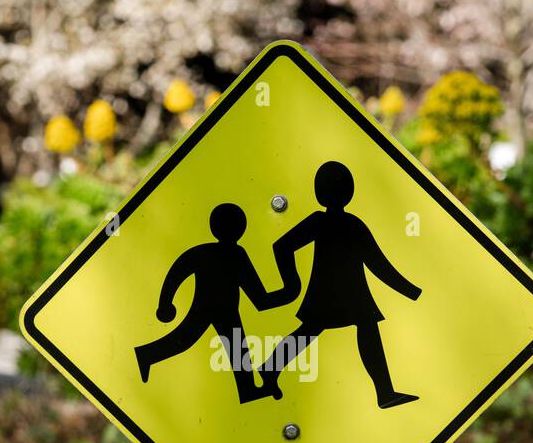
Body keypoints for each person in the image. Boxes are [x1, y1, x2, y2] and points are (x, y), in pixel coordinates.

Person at [258, 160, 421, 408]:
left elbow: (377, 263)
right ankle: (385, 393)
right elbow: (378, 265)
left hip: (342, 293)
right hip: (340, 293)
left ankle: (385, 393)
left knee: (322, 330)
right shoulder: (348, 224)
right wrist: (411, 292)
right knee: (317, 331)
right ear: (349, 191)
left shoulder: (333, 223)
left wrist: (292, 284)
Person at [135, 202, 287, 403]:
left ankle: (248, 389)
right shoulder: (235, 254)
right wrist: (288, 293)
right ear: (241, 228)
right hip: (212, 308)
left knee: (229, 348)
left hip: (221, 309)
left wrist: (165, 303)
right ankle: (146, 355)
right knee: (190, 341)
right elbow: (259, 298)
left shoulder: (208, 251)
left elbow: (178, 271)